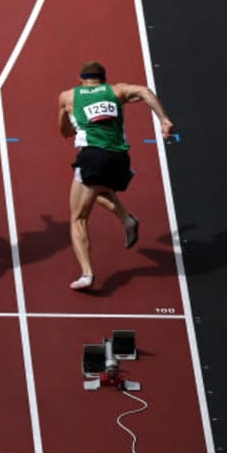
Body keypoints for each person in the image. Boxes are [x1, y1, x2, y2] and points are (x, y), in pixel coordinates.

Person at [56, 61, 173, 291]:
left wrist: (73, 120)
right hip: (120, 158)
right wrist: (163, 119)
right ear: (103, 78)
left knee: (78, 218)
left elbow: (64, 133)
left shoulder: (68, 96)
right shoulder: (117, 90)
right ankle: (127, 219)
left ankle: (87, 274)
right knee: (98, 190)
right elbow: (145, 92)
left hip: (93, 156)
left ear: (81, 79)